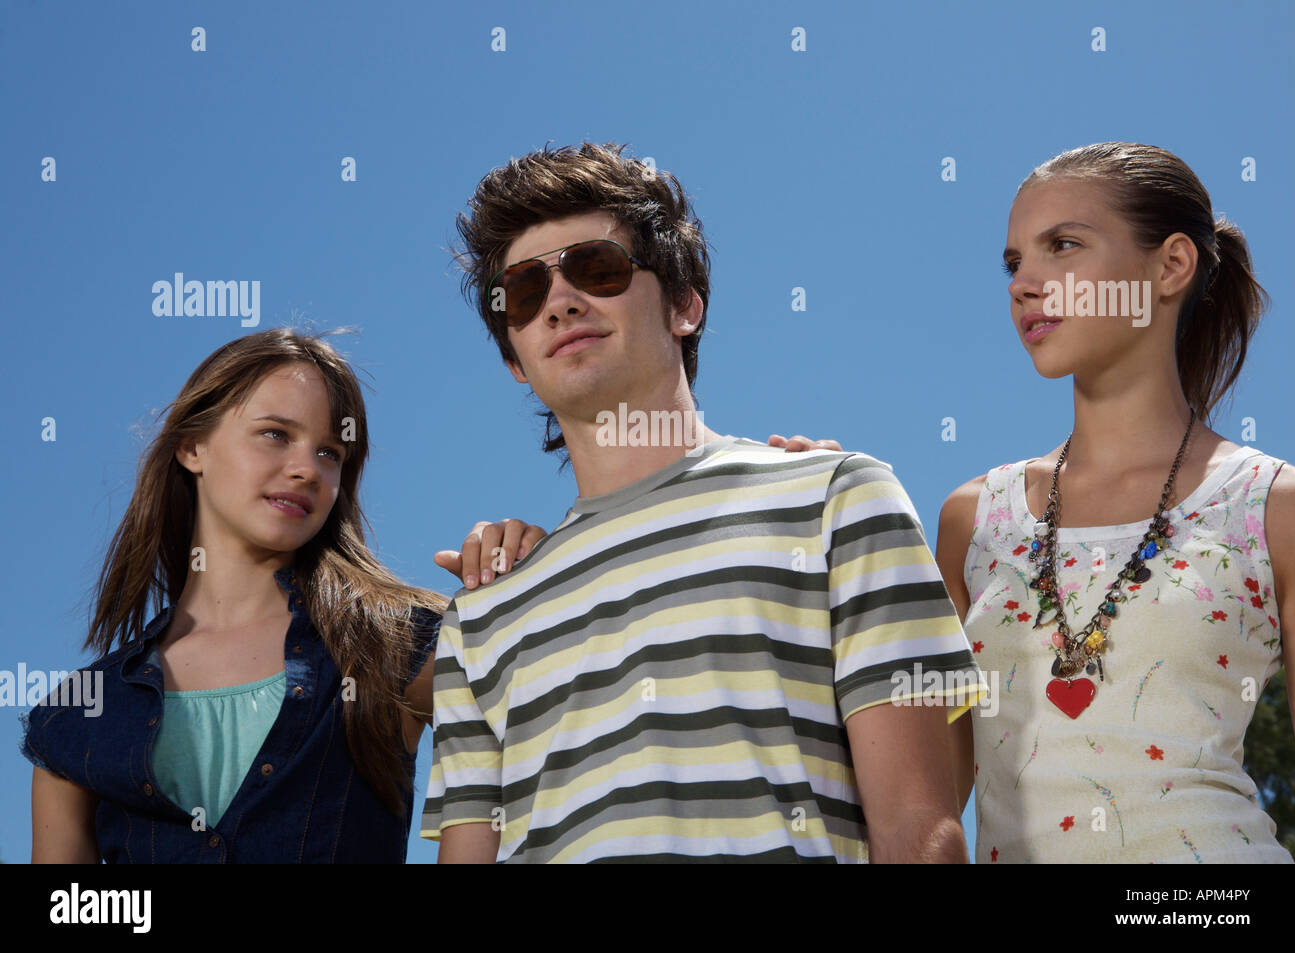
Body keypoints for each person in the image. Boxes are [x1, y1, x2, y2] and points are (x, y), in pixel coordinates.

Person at [421, 142, 984, 863]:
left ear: (685, 304)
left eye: (598, 268)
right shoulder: (480, 613)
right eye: (525, 293)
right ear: (513, 355)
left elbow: (919, 830)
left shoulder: (839, 500)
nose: (560, 301)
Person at [22, 327, 546, 863]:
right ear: (192, 446)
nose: (307, 469)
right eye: (275, 434)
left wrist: (534, 576)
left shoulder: (395, 648)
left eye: (330, 453)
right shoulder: (77, 716)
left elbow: (553, 712)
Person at [936, 142, 1295, 863]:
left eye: (1062, 246)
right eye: (1014, 263)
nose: (1025, 283)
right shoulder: (974, 520)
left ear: (1170, 266)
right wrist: (822, 499)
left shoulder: (1275, 506)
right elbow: (927, 805)